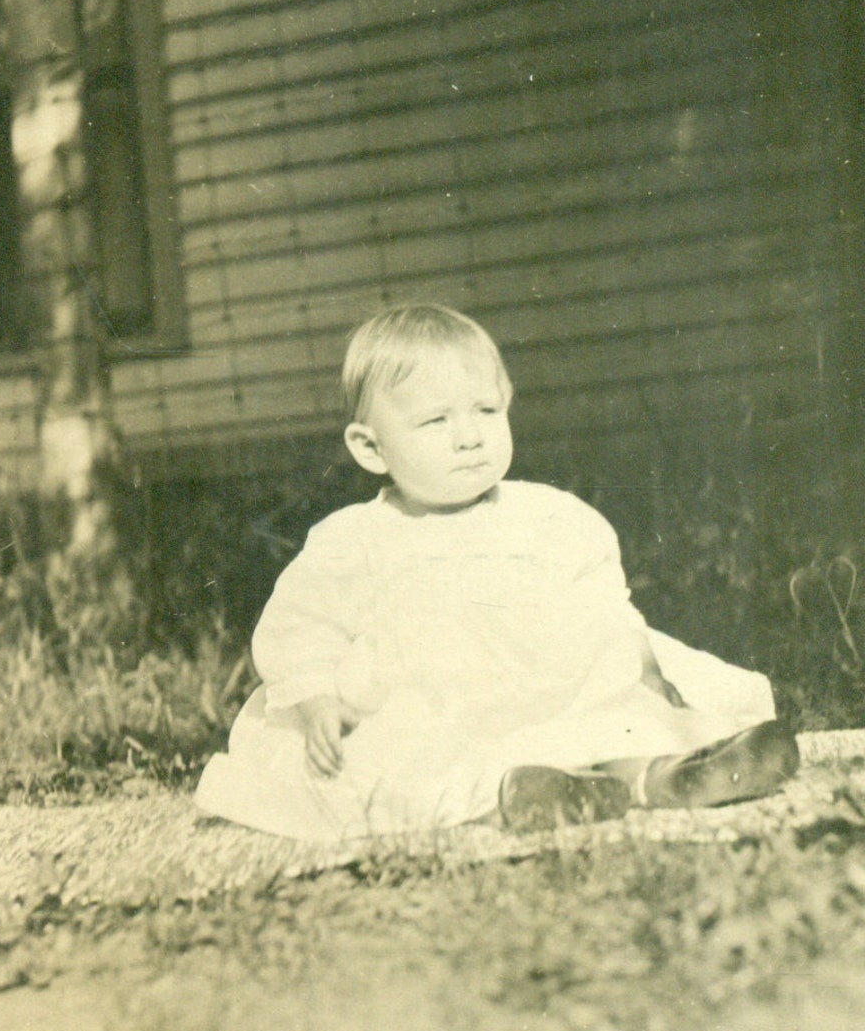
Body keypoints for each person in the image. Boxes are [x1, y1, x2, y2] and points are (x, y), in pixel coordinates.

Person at [195, 304, 798, 841]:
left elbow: (604, 608)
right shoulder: (353, 540)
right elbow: (302, 628)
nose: (469, 437)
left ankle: (663, 776)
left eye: (486, 410)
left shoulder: (550, 516)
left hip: (553, 690)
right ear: (371, 448)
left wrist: (644, 667)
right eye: (436, 421)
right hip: (434, 707)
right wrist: (316, 701)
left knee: (616, 714)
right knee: (405, 763)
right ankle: (530, 796)